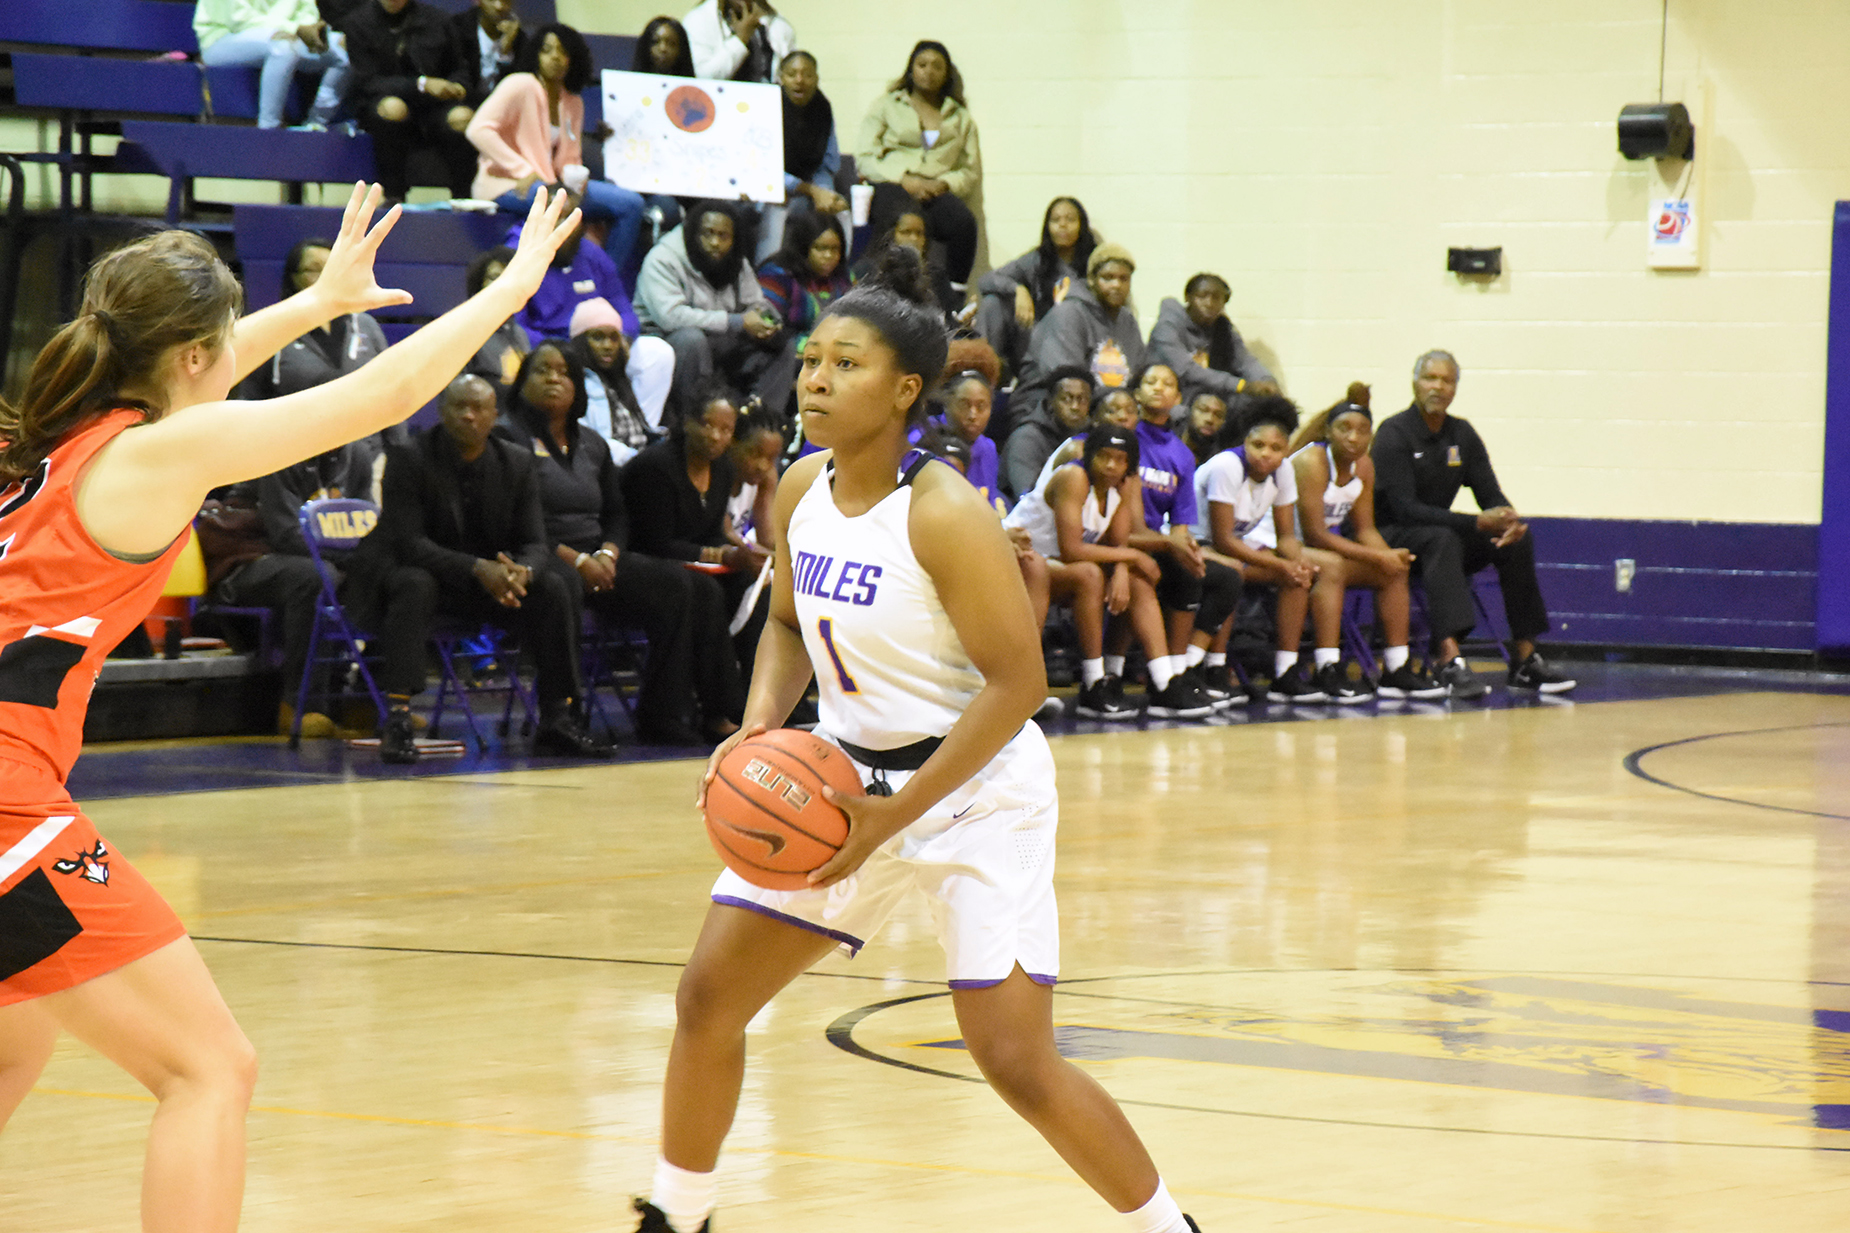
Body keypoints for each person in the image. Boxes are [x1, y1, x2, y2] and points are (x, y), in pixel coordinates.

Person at [0, 182, 581, 1232]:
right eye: (223, 344)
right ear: (192, 358)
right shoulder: (158, 452)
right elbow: (375, 400)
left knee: (21, 1025)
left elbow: (192, 364)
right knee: (208, 1067)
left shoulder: (84, 432)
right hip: (2, 804)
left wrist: (317, 306)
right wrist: (509, 292)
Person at [634, 245, 1206, 1233]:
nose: (814, 378)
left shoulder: (944, 515)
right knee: (706, 1001)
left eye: (844, 364)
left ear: (905, 389)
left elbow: (1019, 683)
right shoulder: (796, 492)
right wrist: (754, 731)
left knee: (1015, 1062)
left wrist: (899, 813)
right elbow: (782, 624)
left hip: (975, 794)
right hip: (836, 785)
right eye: (811, 359)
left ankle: (1170, 1230)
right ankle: (676, 1216)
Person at [345, 371, 613, 763]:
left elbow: (536, 542)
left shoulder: (517, 462)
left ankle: (558, 715)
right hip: (414, 574)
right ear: (441, 410)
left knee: (555, 585)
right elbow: (410, 544)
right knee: (415, 583)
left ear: (494, 415)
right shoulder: (409, 458)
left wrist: (522, 571)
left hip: (483, 582)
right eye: (459, 406)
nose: (468, 416)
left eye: (478, 408)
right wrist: (477, 568)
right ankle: (398, 716)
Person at [508, 342, 745, 743]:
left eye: (563, 371)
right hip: (545, 558)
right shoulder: (509, 440)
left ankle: (674, 711)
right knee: (563, 583)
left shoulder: (592, 444)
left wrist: (607, 552)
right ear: (522, 382)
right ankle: (563, 713)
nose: (553, 378)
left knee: (687, 586)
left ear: (578, 386)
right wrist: (580, 560)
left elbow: (617, 514)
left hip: (600, 559)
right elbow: (517, 525)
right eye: (541, 370)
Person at [1371, 350, 1576, 697]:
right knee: (1442, 537)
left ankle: (1525, 661)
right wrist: (1476, 522)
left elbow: (1490, 494)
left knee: (1515, 542)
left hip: (1440, 538)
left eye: (1446, 380)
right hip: (1390, 537)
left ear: (1455, 389)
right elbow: (1405, 509)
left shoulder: (1462, 434)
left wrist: (1507, 518)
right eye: (1430, 378)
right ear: (1414, 383)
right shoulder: (1394, 433)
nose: (1437, 387)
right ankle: (1449, 660)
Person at [1193, 396, 1364, 705]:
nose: (1265, 455)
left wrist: (1295, 562)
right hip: (1196, 545)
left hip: (1236, 548)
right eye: (1258, 445)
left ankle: (1285, 673)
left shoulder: (1284, 471)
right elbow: (1222, 540)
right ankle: (1213, 668)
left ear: (1286, 450)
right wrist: (1280, 565)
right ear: (1246, 442)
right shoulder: (1227, 467)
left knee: (1297, 575)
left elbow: (1287, 537)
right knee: (1233, 571)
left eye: (1275, 448)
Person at [1004, 425, 1172, 722]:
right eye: (1103, 456)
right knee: (1088, 574)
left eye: (1119, 460)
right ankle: (1024, 686)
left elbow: (1116, 542)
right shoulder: (1074, 477)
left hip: (1054, 564)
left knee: (1136, 581)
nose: (1110, 465)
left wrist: (1123, 567)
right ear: (1090, 456)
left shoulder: (1119, 489)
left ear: (1129, 467)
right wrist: (1131, 556)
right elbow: (1072, 550)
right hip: (1015, 558)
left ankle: (1164, 681)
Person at [1289, 385, 1447, 700]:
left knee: (1394, 570)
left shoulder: (1364, 467)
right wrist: (1375, 557)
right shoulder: (1311, 462)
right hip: (1282, 543)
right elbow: (1315, 535)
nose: (1353, 437)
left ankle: (1396, 667)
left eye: (1362, 431)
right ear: (1329, 433)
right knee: (1333, 566)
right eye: (1344, 429)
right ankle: (1327, 667)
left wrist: (1388, 557)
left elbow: (1364, 529)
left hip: (1317, 549)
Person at [466, 23, 648, 274]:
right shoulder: (520, 84)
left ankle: (606, 277)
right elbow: (478, 129)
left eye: (562, 52)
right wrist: (521, 169)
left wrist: (576, 182)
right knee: (560, 205)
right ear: (536, 55)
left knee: (632, 204)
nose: (555, 57)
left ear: (572, 59)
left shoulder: (573, 101)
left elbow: (569, 160)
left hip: (554, 184)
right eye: (547, 50)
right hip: (507, 183)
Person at [619, 382, 772, 674]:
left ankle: (757, 689)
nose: (715, 436)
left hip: (689, 565)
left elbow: (713, 531)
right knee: (705, 592)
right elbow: (654, 543)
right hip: (640, 564)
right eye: (706, 424)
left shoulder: (724, 468)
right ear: (688, 421)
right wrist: (722, 555)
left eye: (726, 430)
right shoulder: (656, 466)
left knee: (759, 587)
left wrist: (739, 553)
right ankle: (718, 708)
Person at [1118, 362, 1242, 714]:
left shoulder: (1182, 455)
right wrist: (1175, 547)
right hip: (1125, 542)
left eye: (1167, 383)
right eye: (1150, 381)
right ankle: (1164, 683)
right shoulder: (1125, 437)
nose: (1159, 388)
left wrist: (1185, 548)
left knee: (1222, 576)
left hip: (1157, 542)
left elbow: (1181, 525)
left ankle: (1182, 671)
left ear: (1177, 397)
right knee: (1182, 572)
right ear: (1137, 393)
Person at [507, 208, 677, 426]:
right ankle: (595, 439)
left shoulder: (592, 253)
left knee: (657, 352)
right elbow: (517, 326)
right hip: (556, 347)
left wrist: (618, 336)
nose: (563, 224)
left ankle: (641, 429)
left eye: (569, 216)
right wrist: (568, 348)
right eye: (555, 216)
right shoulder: (518, 255)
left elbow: (623, 308)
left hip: (603, 341)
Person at [857, 41, 982, 309]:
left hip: (936, 189)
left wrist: (943, 183)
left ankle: (954, 300)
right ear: (911, 70)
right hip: (894, 183)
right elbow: (865, 157)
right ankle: (878, 290)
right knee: (892, 217)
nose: (929, 72)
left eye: (937, 67)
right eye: (922, 65)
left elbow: (969, 171)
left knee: (964, 224)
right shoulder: (887, 105)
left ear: (947, 74)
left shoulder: (960, 118)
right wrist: (903, 178)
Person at [636, 202, 781, 418]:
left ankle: (759, 420)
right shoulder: (663, 259)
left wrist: (767, 319)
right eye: (708, 234)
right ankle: (695, 422)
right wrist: (739, 322)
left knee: (780, 343)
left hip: (718, 337)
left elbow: (754, 303)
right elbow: (671, 317)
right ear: (693, 234)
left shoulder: (736, 262)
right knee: (691, 340)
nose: (715, 243)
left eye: (723, 236)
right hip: (667, 340)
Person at [340, 0, 479, 201]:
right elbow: (368, 82)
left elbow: (459, 67)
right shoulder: (358, 23)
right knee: (393, 108)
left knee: (463, 116)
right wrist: (420, 84)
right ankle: (394, 196)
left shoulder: (438, 20)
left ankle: (464, 198)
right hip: (384, 106)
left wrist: (458, 86)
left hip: (434, 107)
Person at [1011, 242, 1145, 434]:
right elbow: (1067, 382)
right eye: (1108, 278)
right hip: (1044, 416)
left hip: (1105, 416)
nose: (1116, 285)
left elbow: (1137, 376)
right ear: (1092, 279)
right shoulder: (1068, 314)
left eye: (1124, 279)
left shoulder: (1128, 321)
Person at [975, 197, 1096, 382]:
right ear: (1047, 227)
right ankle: (982, 376)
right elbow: (987, 280)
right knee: (993, 302)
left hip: (1075, 343)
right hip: (1035, 340)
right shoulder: (1038, 259)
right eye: (1055, 220)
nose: (1063, 225)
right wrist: (1018, 289)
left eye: (1070, 220)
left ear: (1082, 225)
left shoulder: (1094, 262)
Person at [195, 0, 350, 131]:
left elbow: (307, 13)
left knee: (348, 50)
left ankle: (316, 124)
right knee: (282, 49)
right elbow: (239, 18)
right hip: (222, 37)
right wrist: (294, 29)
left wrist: (313, 31)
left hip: (284, 34)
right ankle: (269, 128)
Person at [754, 210, 851, 421]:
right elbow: (769, 328)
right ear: (803, 246)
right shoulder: (777, 274)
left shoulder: (843, 280)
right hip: (786, 354)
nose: (828, 256)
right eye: (820, 248)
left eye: (835, 249)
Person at [758, 50, 851, 264]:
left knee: (840, 210)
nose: (800, 80)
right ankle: (768, 273)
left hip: (807, 187)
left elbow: (828, 164)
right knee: (775, 207)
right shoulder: (766, 105)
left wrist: (825, 194)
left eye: (807, 75)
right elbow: (762, 167)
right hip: (768, 189)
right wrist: (812, 191)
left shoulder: (822, 108)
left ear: (817, 79)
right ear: (781, 77)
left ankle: (840, 277)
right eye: (792, 74)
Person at [1146, 273, 1280, 415]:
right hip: (1169, 403)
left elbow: (1245, 361)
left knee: (1258, 405)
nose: (1209, 303)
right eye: (1202, 296)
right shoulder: (1167, 327)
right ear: (1188, 297)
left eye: (1216, 298)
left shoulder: (1223, 328)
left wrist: (1267, 381)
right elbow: (1187, 371)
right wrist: (1240, 385)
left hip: (1205, 402)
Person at [568, 298, 659, 462]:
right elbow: (588, 443)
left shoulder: (620, 383)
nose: (608, 346)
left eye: (614, 338)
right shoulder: (574, 384)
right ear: (580, 342)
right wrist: (637, 460)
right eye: (598, 337)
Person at [1003, 364, 1093, 500]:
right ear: (1051, 402)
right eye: (1067, 399)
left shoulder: (1090, 436)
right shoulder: (1026, 438)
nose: (1075, 407)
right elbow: (1026, 498)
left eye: (1082, 400)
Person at [463, 244, 530, 398]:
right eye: (494, 277)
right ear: (479, 284)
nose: (501, 284)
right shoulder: (464, 331)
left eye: (509, 277)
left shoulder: (519, 333)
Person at [683, 0, 794, 83]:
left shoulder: (778, 24)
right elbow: (703, 79)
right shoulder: (699, 20)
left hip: (765, 105)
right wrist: (741, 39)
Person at [449, 0, 524, 108]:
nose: (499, 6)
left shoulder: (519, 38)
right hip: (464, 105)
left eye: (505, 0)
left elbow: (514, 92)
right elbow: (459, 81)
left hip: (502, 109)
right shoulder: (458, 28)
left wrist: (505, 52)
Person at [1180, 391, 1225, 467]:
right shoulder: (1167, 440)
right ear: (1189, 411)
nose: (1210, 419)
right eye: (1203, 410)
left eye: (1218, 415)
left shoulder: (1218, 461)